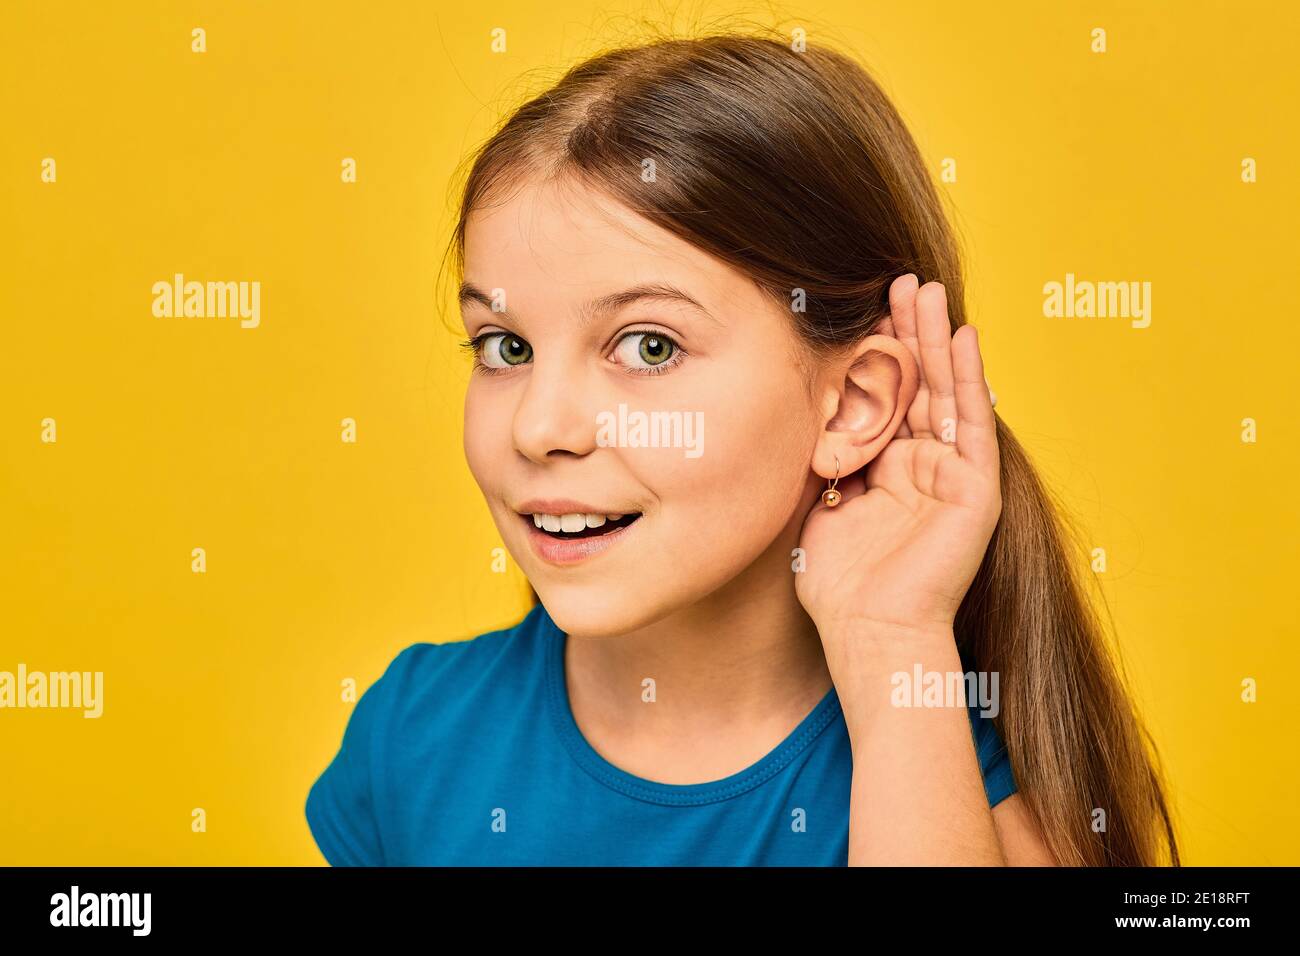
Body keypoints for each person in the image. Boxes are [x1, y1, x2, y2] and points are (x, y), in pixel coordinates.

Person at [306, 30, 1178, 866]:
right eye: (505, 347)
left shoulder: (957, 781)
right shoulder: (412, 739)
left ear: (852, 404)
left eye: (649, 346)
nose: (539, 429)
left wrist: (891, 637)